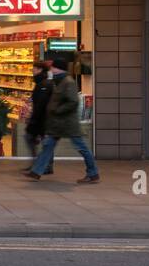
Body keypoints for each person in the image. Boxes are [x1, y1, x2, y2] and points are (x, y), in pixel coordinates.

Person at [23, 56, 100, 184]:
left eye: (53, 67)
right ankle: (36, 172)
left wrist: (57, 110)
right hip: (57, 124)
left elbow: (73, 102)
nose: (51, 69)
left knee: (82, 148)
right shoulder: (58, 81)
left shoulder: (68, 82)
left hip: (68, 123)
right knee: (47, 146)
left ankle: (93, 173)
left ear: (58, 68)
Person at [23, 59, 55, 175]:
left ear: (40, 70)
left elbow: (40, 104)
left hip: (44, 120)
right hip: (42, 119)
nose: (32, 70)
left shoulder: (44, 84)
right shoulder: (41, 83)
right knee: (43, 141)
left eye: (34, 68)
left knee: (44, 142)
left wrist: (34, 120)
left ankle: (43, 165)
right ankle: (40, 164)